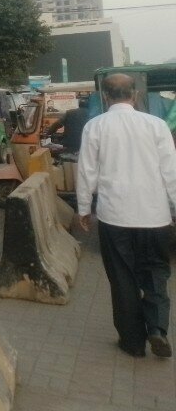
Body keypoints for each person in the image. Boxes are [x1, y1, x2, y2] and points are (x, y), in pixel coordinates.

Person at [76, 73, 176, 359]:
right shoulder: (156, 126)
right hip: (155, 216)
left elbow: (86, 171)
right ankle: (157, 329)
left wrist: (84, 209)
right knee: (156, 272)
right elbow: (171, 172)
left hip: (114, 217)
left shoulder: (95, 127)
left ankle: (133, 343)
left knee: (122, 278)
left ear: (105, 97)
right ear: (135, 94)